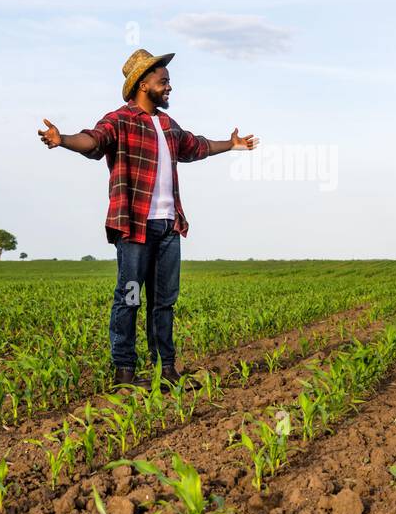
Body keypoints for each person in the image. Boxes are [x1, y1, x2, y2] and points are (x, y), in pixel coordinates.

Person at [38, 49, 258, 388]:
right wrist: (63, 139)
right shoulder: (120, 120)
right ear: (143, 83)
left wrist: (230, 145)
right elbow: (93, 140)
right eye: (163, 81)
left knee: (164, 302)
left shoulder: (168, 125)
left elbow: (196, 146)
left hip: (169, 225)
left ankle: (165, 369)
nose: (170, 87)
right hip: (135, 225)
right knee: (129, 297)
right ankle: (124, 372)